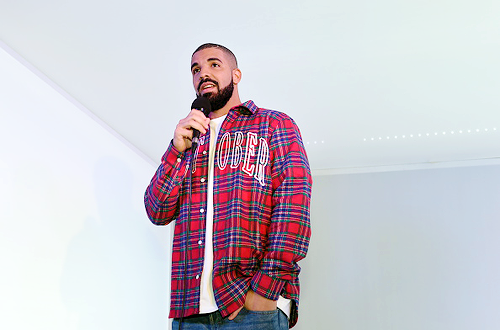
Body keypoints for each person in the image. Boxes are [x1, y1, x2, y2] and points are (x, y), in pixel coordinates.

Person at [144, 43, 312, 329]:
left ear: (236, 75)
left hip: (253, 306)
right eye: (195, 69)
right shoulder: (189, 139)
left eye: (214, 64)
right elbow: (157, 210)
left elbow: (293, 207)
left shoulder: (273, 124)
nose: (203, 74)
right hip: (189, 313)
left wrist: (264, 290)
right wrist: (176, 150)